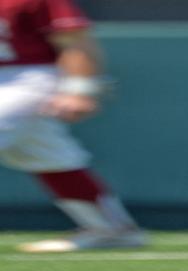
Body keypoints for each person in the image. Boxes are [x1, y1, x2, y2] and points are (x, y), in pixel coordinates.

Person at [1, 0, 145, 253]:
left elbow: (76, 40)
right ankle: (110, 229)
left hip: (27, 77)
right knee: (46, 155)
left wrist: (79, 90)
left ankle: (110, 230)